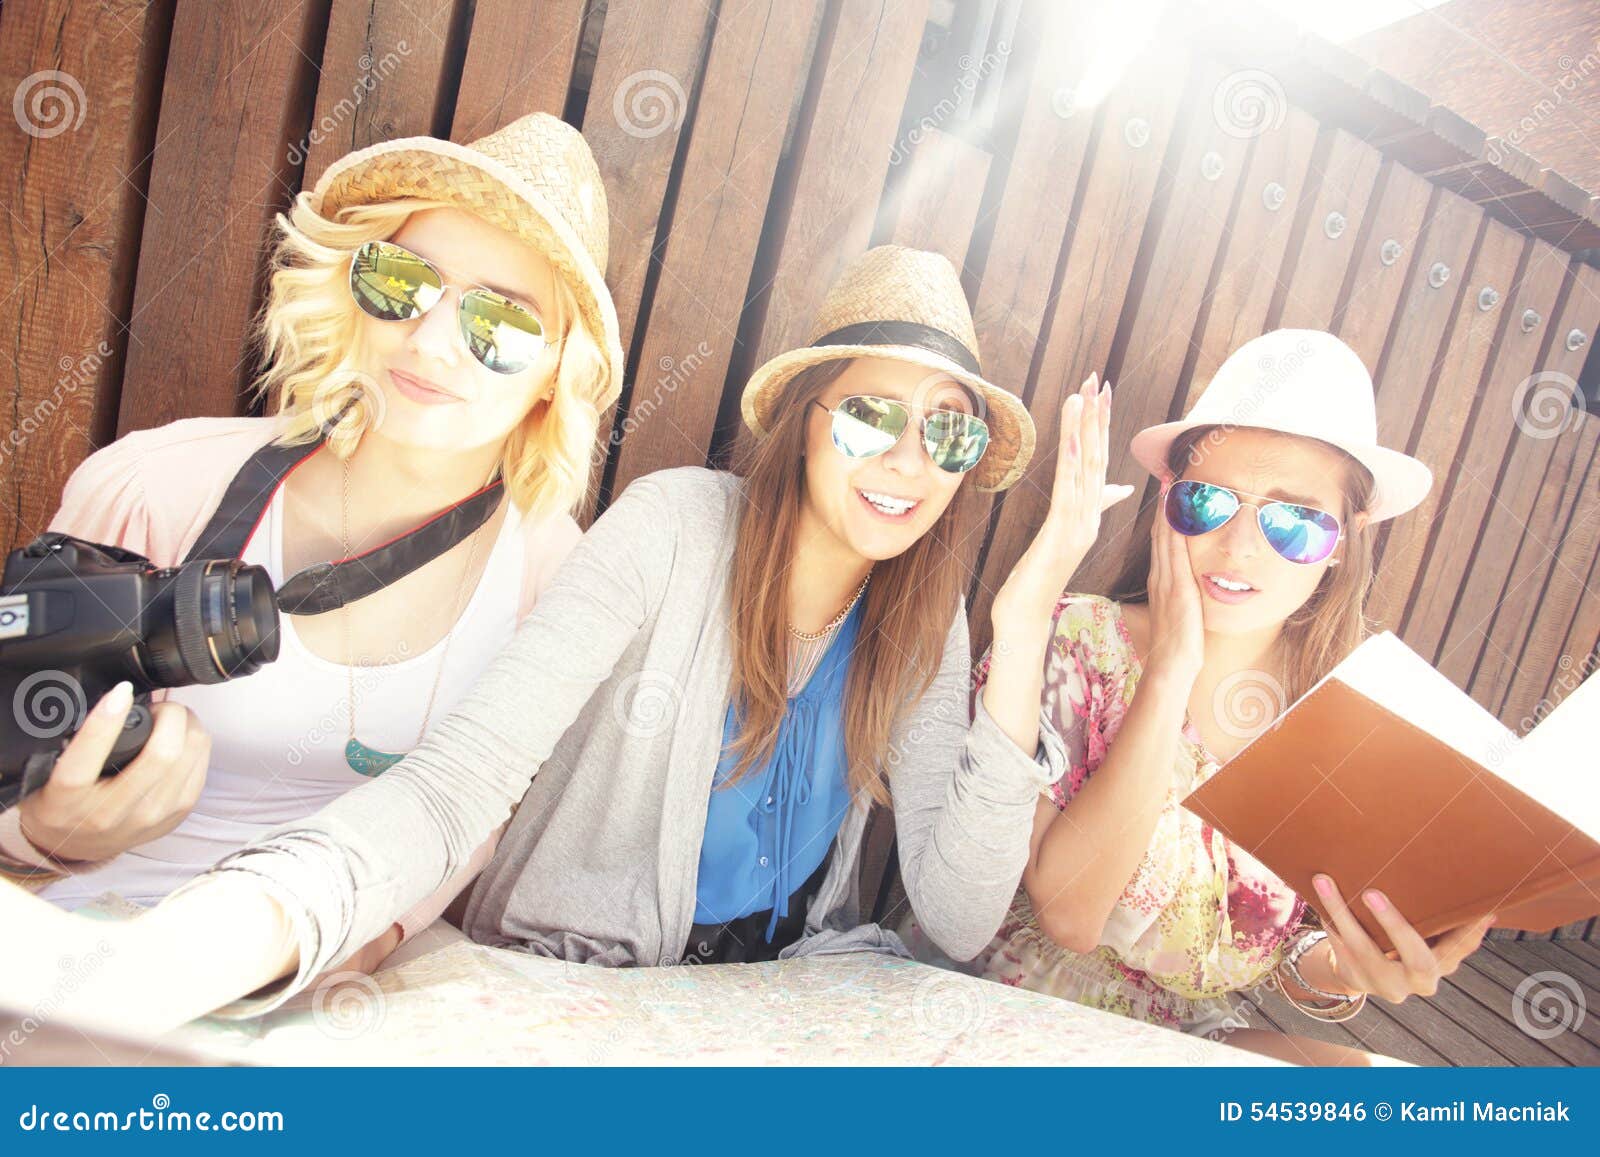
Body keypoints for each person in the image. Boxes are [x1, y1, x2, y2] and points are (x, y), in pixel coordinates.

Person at [0, 243, 1138, 1037]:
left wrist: (1028, 604)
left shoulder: (922, 617)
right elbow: (450, 791)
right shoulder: (672, 526)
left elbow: (956, 912)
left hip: (771, 1014)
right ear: (802, 424)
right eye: (870, 415)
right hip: (571, 1001)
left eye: (944, 430)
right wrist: (178, 956)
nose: (906, 460)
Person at [0, 112, 622, 965]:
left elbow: (476, 819)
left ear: (559, 372)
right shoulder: (154, 488)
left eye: (502, 325)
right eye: (402, 278)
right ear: (349, 281)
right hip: (78, 954)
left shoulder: (554, 578)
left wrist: (365, 942)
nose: (434, 341)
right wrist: (44, 834)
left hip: (331, 990)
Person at [898, 329, 1495, 1065]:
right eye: (1209, 501)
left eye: (1295, 520)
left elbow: (1280, 944)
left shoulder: (1341, 719)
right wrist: (1172, 670)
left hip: (1179, 1041)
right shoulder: (1077, 639)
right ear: (1166, 501)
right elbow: (1071, 913)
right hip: (1012, 1011)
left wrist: (1345, 969)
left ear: (1345, 539)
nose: (1241, 545)